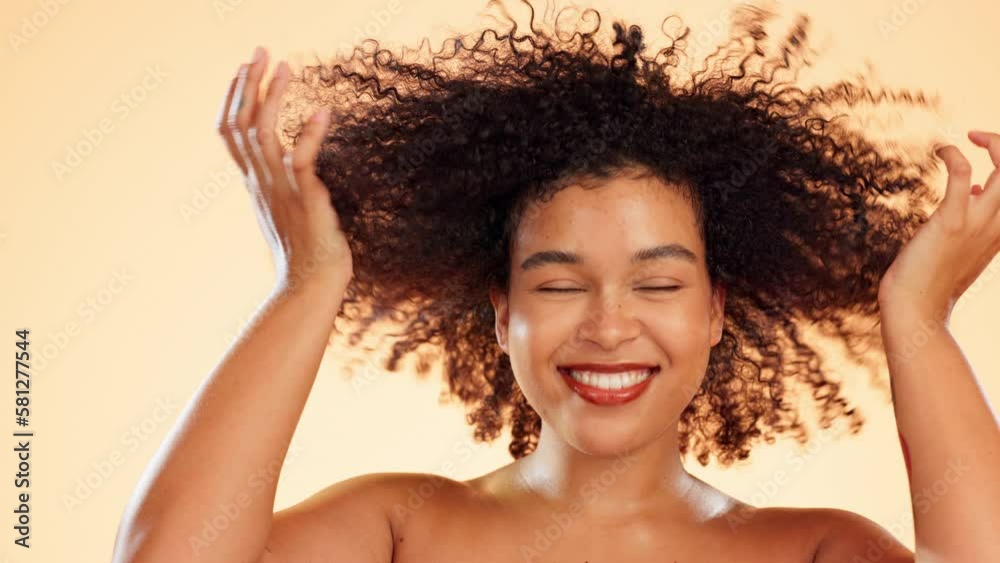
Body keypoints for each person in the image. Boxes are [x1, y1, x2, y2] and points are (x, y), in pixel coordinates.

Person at [111, 2, 1000, 562]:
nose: (609, 327)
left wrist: (918, 317)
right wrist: (308, 281)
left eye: (657, 285)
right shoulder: (399, 528)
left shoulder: (811, 548)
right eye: (559, 283)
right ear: (500, 314)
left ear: (719, 308)